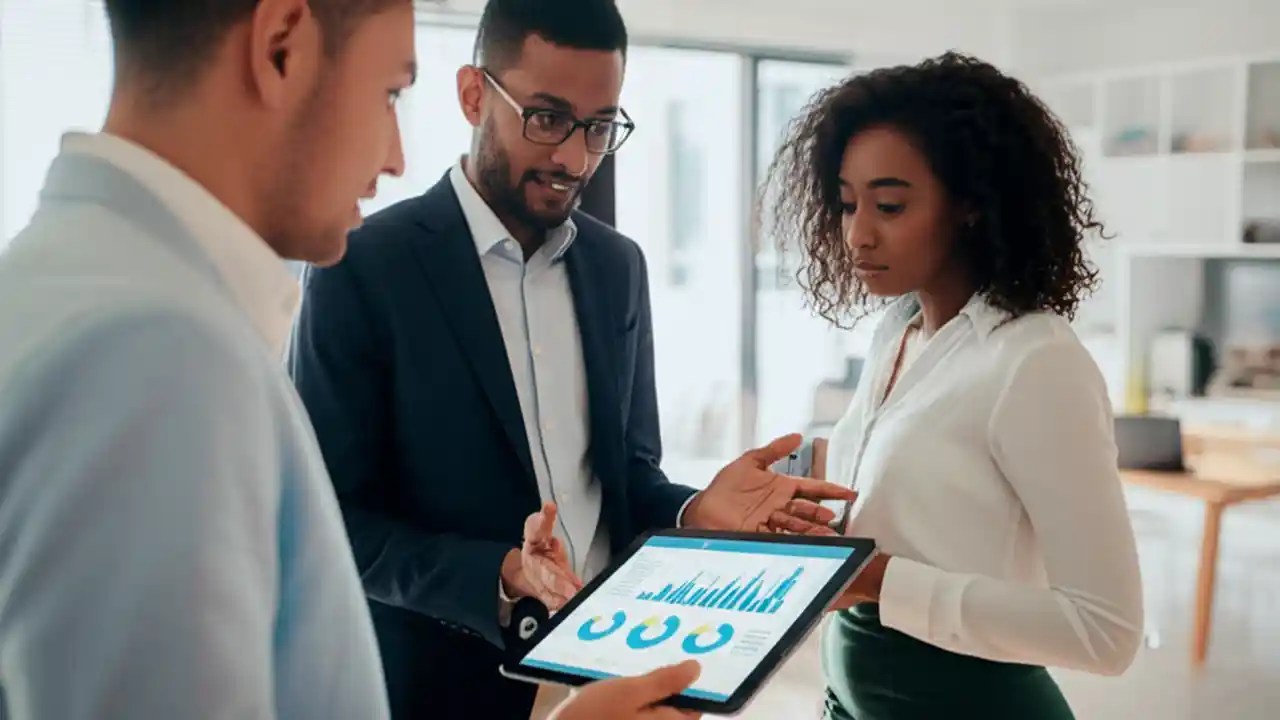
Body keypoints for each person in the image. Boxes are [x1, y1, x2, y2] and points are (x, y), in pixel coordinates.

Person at [0, 1, 706, 718]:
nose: (395, 155)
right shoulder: (156, 353)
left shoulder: (63, 287)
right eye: (389, 92)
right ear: (282, 47)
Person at [287, 0, 855, 717]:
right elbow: (332, 518)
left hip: (613, 674)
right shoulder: (365, 267)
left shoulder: (619, 268)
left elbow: (625, 480)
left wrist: (694, 509)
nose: (573, 157)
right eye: (547, 118)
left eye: (598, 127)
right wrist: (498, 574)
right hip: (441, 685)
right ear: (472, 95)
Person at [761, 53, 1145, 719]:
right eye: (848, 203)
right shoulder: (898, 331)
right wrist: (797, 494)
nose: (857, 234)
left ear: (971, 203)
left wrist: (869, 577)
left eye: (889, 204)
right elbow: (911, 488)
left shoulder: (1034, 362)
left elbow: (1107, 632)